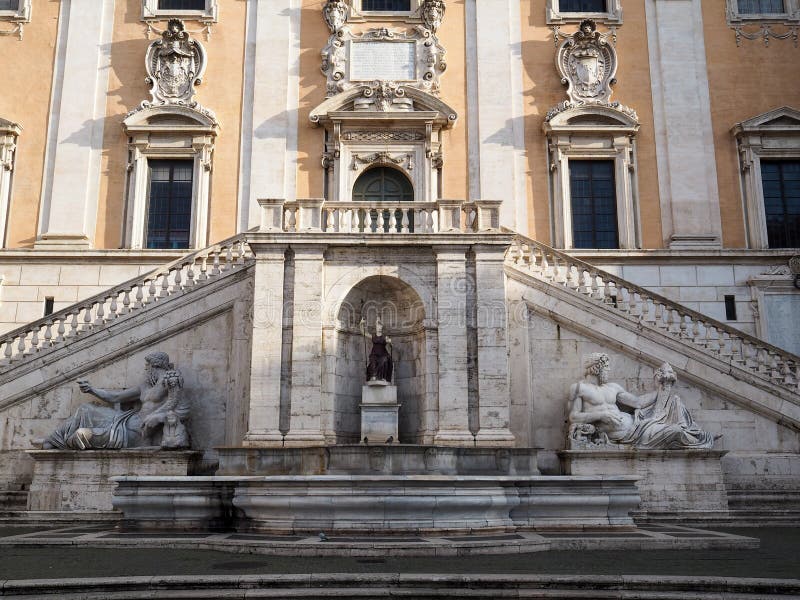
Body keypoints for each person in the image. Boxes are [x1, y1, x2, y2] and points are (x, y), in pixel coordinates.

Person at [42, 352, 189, 450]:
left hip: (136, 432)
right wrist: (91, 389)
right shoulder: (145, 385)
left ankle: (58, 442)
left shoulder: (171, 380)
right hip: (127, 419)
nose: (146, 369)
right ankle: (53, 439)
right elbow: (116, 397)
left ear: (154, 366)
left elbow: (182, 409)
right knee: (85, 409)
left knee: (82, 434)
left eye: (147, 366)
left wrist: (158, 417)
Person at [568, 353, 714, 449]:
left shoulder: (613, 387)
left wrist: (660, 388)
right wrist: (601, 416)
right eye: (606, 367)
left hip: (638, 426)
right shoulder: (579, 388)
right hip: (625, 434)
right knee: (675, 431)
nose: (609, 370)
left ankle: (697, 437)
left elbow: (638, 403)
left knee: (674, 401)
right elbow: (573, 417)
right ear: (597, 368)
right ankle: (700, 440)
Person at [359, 316, 393, 383]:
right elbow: (363, 332)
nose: (379, 327)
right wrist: (361, 324)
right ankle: (374, 376)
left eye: (380, 326)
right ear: (376, 327)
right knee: (373, 361)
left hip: (383, 354)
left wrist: (390, 342)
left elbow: (391, 345)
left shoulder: (384, 337)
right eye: (378, 326)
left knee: (384, 360)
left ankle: (382, 377)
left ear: (382, 327)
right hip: (374, 354)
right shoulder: (373, 336)